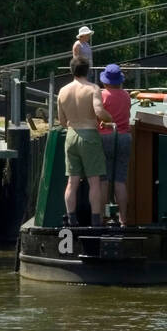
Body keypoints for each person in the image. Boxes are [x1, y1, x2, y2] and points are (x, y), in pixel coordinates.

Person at [57, 58, 113, 226]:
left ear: (71, 70)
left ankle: (71, 219)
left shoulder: (63, 91)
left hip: (71, 135)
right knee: (94, 181)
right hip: (89, 135)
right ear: (87, 71)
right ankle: (96, 220)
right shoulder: (93, 88)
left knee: (72, 182)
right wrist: (109, 118)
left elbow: (61, 121)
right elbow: (99, 111)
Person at [98, 63, 133, 224]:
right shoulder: (126, 95)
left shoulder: (101, 95)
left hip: (105, 137)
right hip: (124, 137)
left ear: (105, 81)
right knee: (120, 180)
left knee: (103, 179)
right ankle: (124, 218)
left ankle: (102, 217)